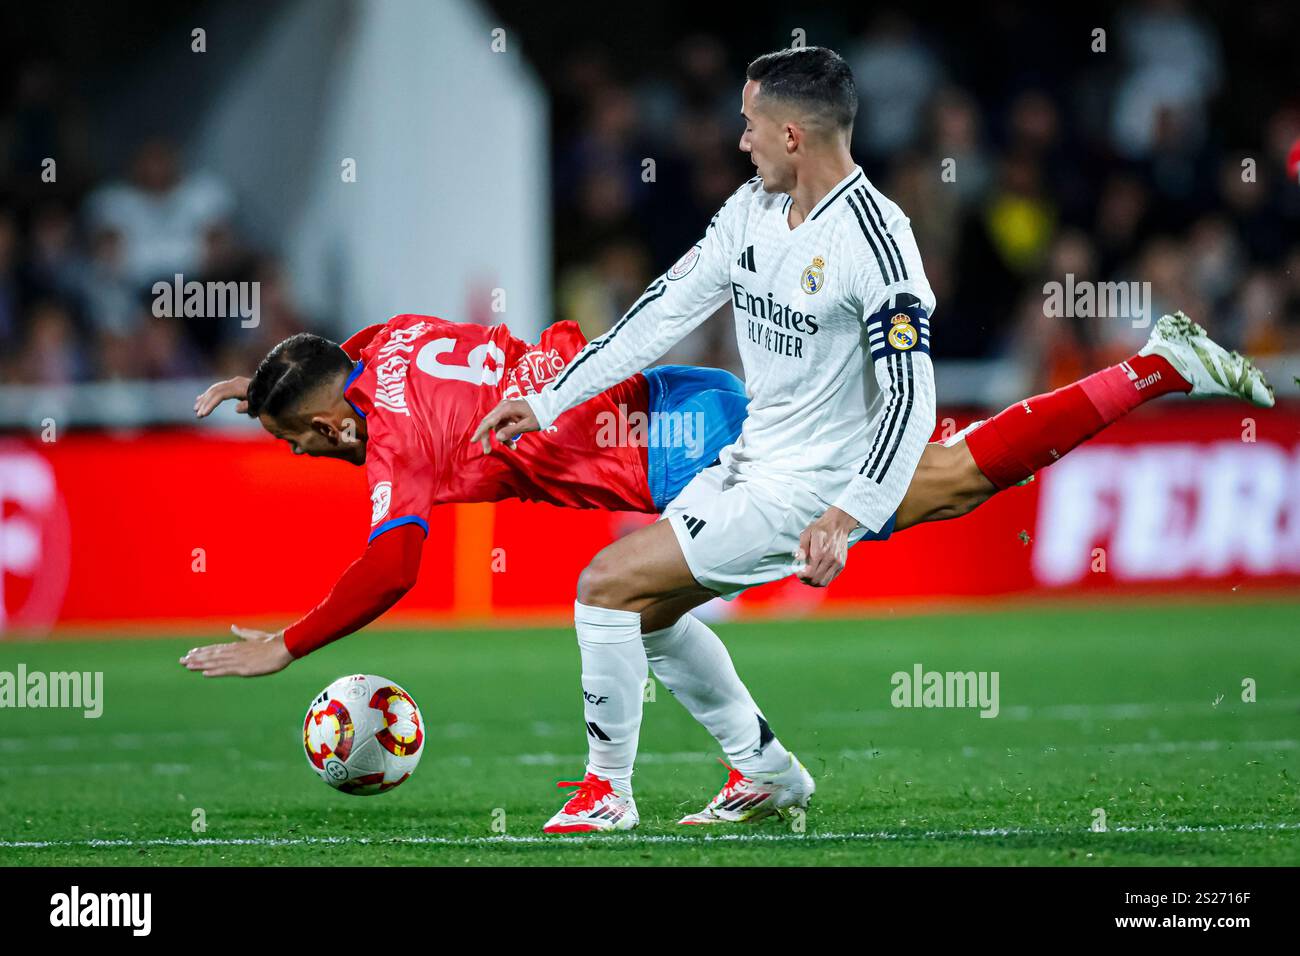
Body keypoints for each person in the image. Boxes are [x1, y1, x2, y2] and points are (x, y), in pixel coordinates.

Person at [470, 47, 1275, 833]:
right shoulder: (750, 208)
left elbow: (911, 395)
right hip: (757, 455)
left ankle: (607, 793)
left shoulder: (874, 239)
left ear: (794, 136)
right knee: (662, 609)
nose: (739, 139)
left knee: (605, 586)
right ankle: (763, 772)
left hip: (810, 485)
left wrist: (847, 513)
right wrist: (548, 401)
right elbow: (664, 309)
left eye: (750, 125)